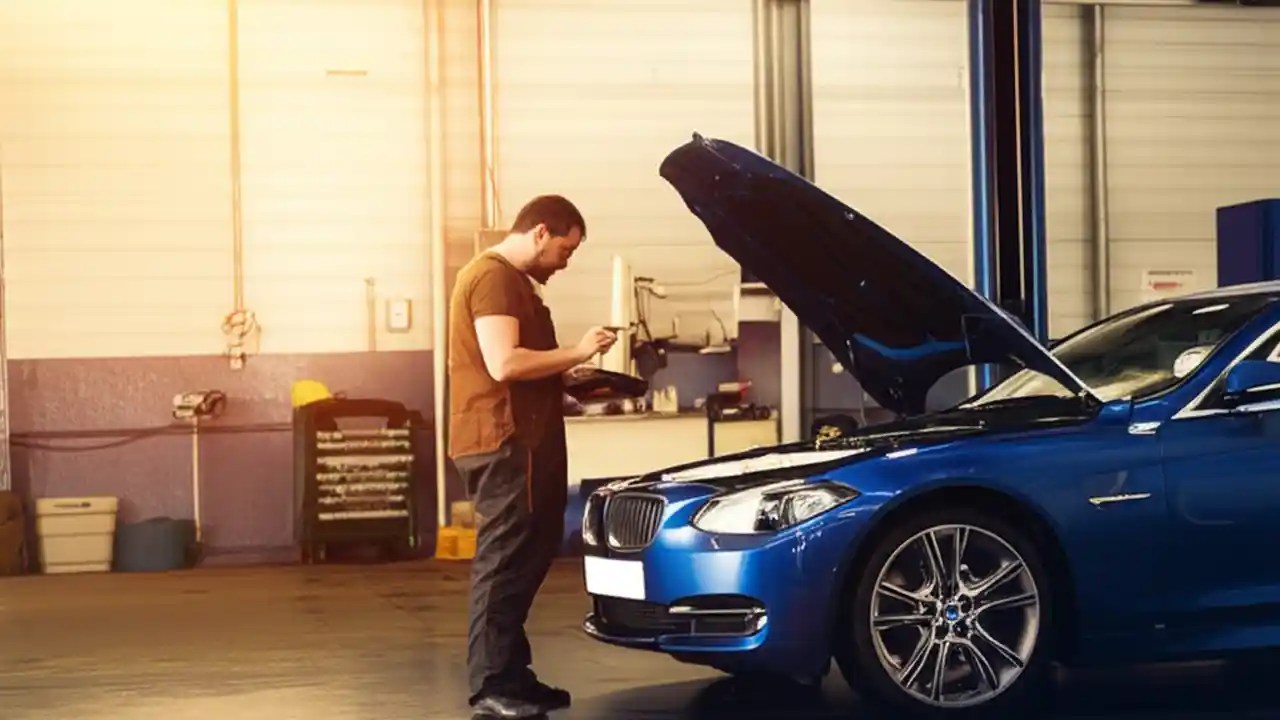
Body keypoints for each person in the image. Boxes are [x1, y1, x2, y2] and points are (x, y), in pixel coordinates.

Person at [447, 194, 617, 719]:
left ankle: (512, 675)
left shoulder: (516, 283)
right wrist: (580, 351)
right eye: (565, 249)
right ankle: (490, 684)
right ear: (541, 231)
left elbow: (524, 370)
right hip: (505, 444)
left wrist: (567, 389)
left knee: (528, 554)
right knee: (503, 561)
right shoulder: (494, 277)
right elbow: (503, 363)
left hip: (526, 439)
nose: (565, 262)